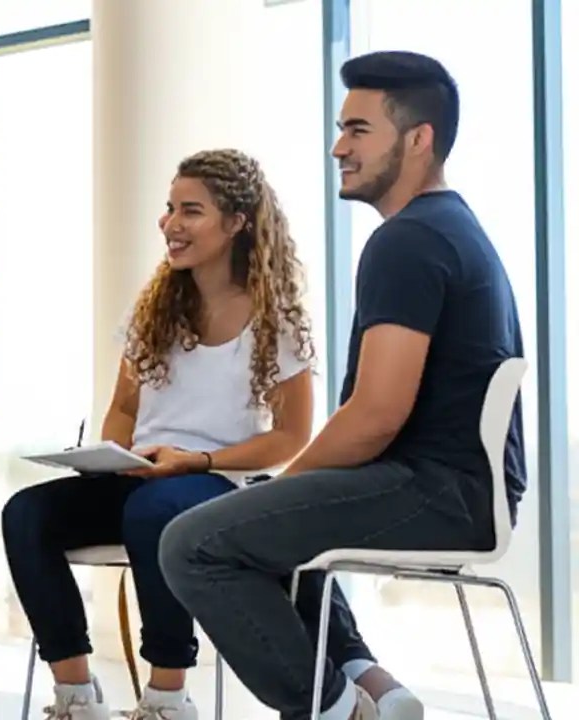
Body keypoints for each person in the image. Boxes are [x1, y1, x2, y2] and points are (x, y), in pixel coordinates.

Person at [160, 51, 525, 720]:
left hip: (437, 491)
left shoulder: (407, 243)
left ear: (418, 140)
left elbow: (376, 415)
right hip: (464, 489)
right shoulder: (452, 228)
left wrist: (288, 479)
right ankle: (373, 687)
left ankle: (336, 711)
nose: (338, 147)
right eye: (340, 128)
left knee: (192, 544)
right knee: (266, 518)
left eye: (358, 130)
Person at [0, 149, 416, 720]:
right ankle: (76, 695)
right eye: (169, 209)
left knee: (157, 511)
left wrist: (196, 460)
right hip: (142, 475)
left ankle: (167, 697)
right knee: (24, 514)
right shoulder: (153, 310)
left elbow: (291, 435)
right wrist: (115, 453)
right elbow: (123, 406)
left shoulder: (277, 320)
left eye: (190, 211)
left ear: (238, 222)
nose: (171, 223)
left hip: (218, 481)